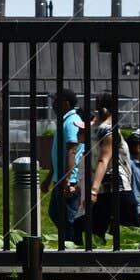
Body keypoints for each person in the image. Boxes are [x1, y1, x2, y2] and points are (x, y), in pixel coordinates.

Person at [85, 92, 138, 239]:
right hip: (118, 185)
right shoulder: (110, 130)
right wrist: (93, 191)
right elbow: (104, 160)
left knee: (98, 234)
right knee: (131, 231)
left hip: (102, 187)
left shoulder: (94, 129)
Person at [44, 88, 84, 237]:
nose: (53, 105)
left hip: (69, 180)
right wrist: (49, 178)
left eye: (55, 101)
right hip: (60, 179)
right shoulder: (65, 121)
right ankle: (68, 244)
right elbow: (60, 155)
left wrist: (67, 180)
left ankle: (73, 248)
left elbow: (72, 151)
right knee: (55, 214)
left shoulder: (72, 122)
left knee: (68, 219)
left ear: (65, 103)